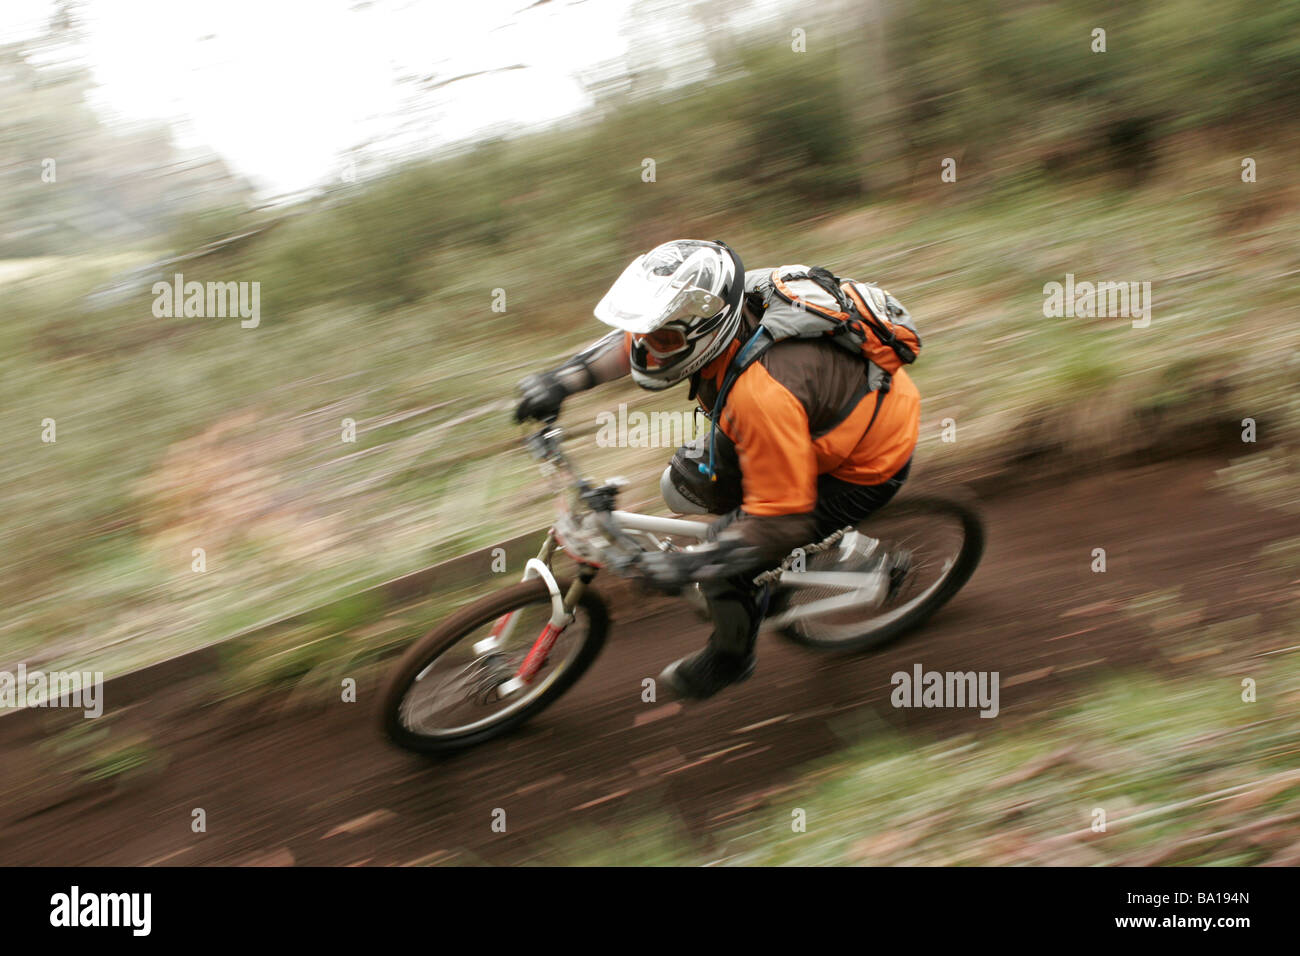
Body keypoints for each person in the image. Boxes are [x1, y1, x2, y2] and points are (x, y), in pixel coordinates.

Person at [513, 239, 919, 700]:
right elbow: (636, 338)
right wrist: (560, 382)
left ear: (708, 332)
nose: (647, 351)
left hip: (864, 463)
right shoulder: (727, 305)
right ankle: (787, 565)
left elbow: (781, 518)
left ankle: (731, 658)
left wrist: (691, 566)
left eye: (663, 340)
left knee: (726, 568)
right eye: (649, 334)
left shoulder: (760, 396)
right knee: (682, 487)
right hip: (819, 418)